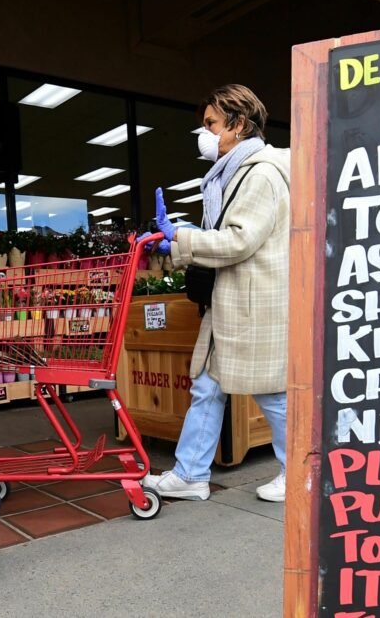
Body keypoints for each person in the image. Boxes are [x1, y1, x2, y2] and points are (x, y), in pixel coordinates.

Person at [140, 84, 291, 503]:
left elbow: (239, 240)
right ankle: (191, 474)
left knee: (271, 391)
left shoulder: (259, 174)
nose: (205, 134)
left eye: (211, 124)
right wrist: (190, 236)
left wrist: (185, 241)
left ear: (239, 125)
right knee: (208, 385)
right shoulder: (236, 173)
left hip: (253, 301)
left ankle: (300, 471)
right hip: (234, 301)